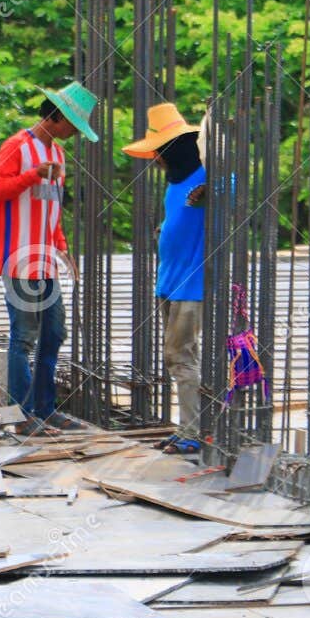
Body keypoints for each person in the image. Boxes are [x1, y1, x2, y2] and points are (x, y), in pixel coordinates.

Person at [0, 80, 99, 436]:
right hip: (18, 259)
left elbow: (52, 210)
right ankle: (21, 415)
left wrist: (61, 246)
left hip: (46, 259)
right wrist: (31, 175)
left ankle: (45, 410)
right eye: (72, 126)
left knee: (54, 332)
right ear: (55, 118)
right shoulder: (17, 147)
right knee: (23, 337)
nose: (74, 134)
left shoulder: (60, 156)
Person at [123, 102, 207, 453]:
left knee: (180, 357)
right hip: (169, 283)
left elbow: (233, 188)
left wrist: (215, 190)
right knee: (181, 357)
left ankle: (191, 434)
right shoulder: (176, 183)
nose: (155, 160)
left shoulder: (205, 179)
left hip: (192, 285)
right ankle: (188, 427)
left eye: (158, 151)